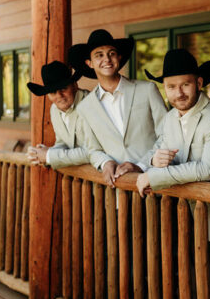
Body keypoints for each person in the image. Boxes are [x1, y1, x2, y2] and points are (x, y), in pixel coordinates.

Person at [134, 48, 210, 299]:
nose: (178, 93)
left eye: (185, 85)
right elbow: (152, 151)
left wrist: (154, 177)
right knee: (185, 287)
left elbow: (207, 169)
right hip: (182, 220)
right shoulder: (168, 118)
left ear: (200, 82)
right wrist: (152, 160)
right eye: (171, 86)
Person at [68, 29, 168, 187]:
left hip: (155, 184)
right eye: (99, 55)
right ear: (90, 63)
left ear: (119, 57)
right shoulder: (85, 107)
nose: (107, 59)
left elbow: (167, 134)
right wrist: (105, 162)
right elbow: (93, 149)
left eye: (112, 53)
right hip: (117, 190)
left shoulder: (147, 90)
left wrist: (141, 165)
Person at [26, 61, 89, 168]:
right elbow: (63, 143)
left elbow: (93, 152)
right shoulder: (54, 109)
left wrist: (49, 156)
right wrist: (41, 154)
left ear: (75, 85)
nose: (59, 96)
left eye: (63, 88)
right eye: (53, 92)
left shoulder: (90, 105)